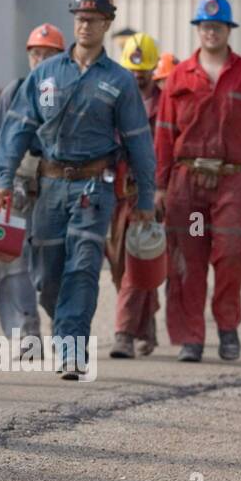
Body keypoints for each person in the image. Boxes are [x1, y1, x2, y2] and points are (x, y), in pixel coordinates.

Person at [0, 0, 155, 379]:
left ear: (107, 23)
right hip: (49, 187)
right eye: (80, 19)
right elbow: (16, 129)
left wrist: (147, 197)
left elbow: (139, 143)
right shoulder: (46, 74)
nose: (85, 26)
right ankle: (63, 321)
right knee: (48, 275)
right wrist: (1, 179)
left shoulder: (119, 81)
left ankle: (71, 350)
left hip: (93, 189)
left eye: (93, 20)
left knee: (83, 267)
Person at [154, 0, 241, 362]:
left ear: (229, 30)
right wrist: (160, 186)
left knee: (229, 254)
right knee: (190, 259)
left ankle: (227, 328)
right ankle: (191, 338)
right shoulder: (180, 76)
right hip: (188, 187)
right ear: (198, 31)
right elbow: (164, 133)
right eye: (205, 27)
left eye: (217, 27)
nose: (211, 32)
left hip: (231, 183)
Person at [0, 23, 65, 356]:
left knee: (54, 263)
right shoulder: (14, 91)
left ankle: (64, 327)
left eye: (48, 54)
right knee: (12, 260)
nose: (40, 60)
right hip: (12, 188)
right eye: (35, 54)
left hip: (57, 189)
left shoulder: (69, 91)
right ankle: (26, 332)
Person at [104, 32, 164, 357]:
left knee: (136, 262)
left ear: (154, 69)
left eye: (144, 69)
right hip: (113, 194)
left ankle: (124, 334)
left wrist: (158, 191)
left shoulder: (165, 104)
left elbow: (167, 149)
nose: (138, 74)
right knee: (117, 266)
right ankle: (147, 323)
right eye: (133, 69)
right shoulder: (113, 100)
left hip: (146, 195)